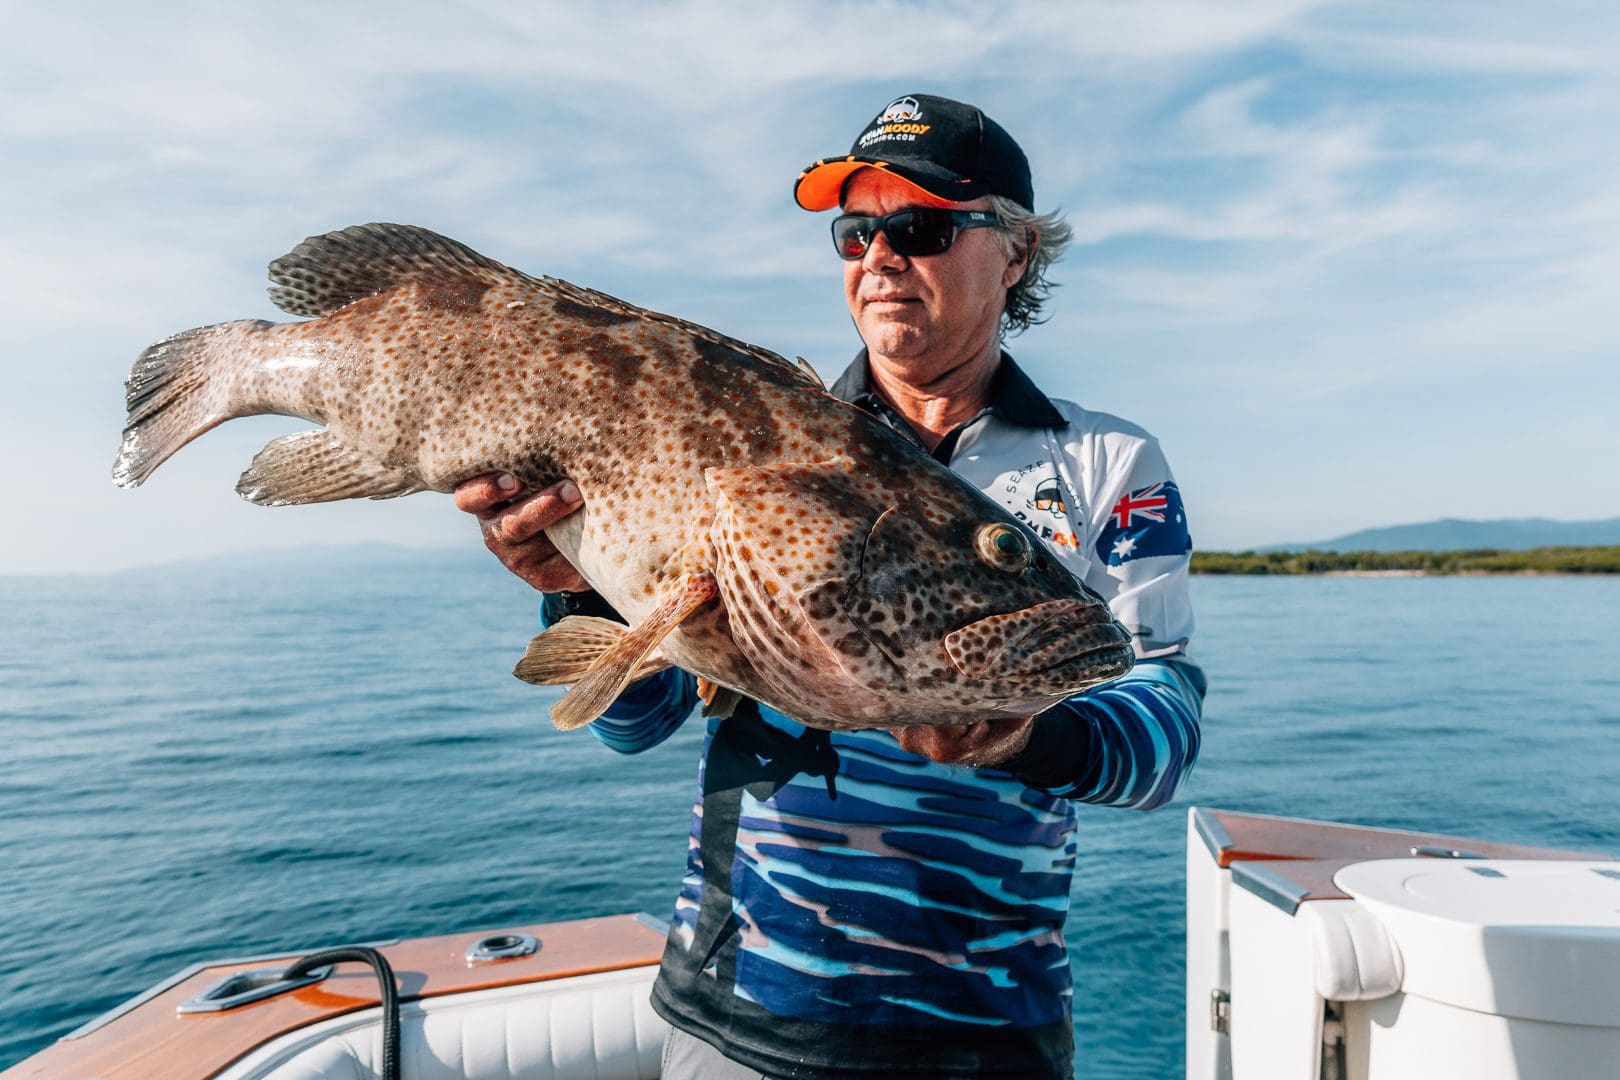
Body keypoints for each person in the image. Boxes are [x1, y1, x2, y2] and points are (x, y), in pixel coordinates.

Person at [455, 93, 1204, 1080]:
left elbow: (1165, 731)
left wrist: (1026, 738)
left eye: (921, 227)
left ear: (1018, 251)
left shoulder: (1108, 463)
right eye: (856, 233)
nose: (879, 258)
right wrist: (582, 590)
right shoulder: (747, 444)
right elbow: (634, 727)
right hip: (741, 1015)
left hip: (988, 1027)